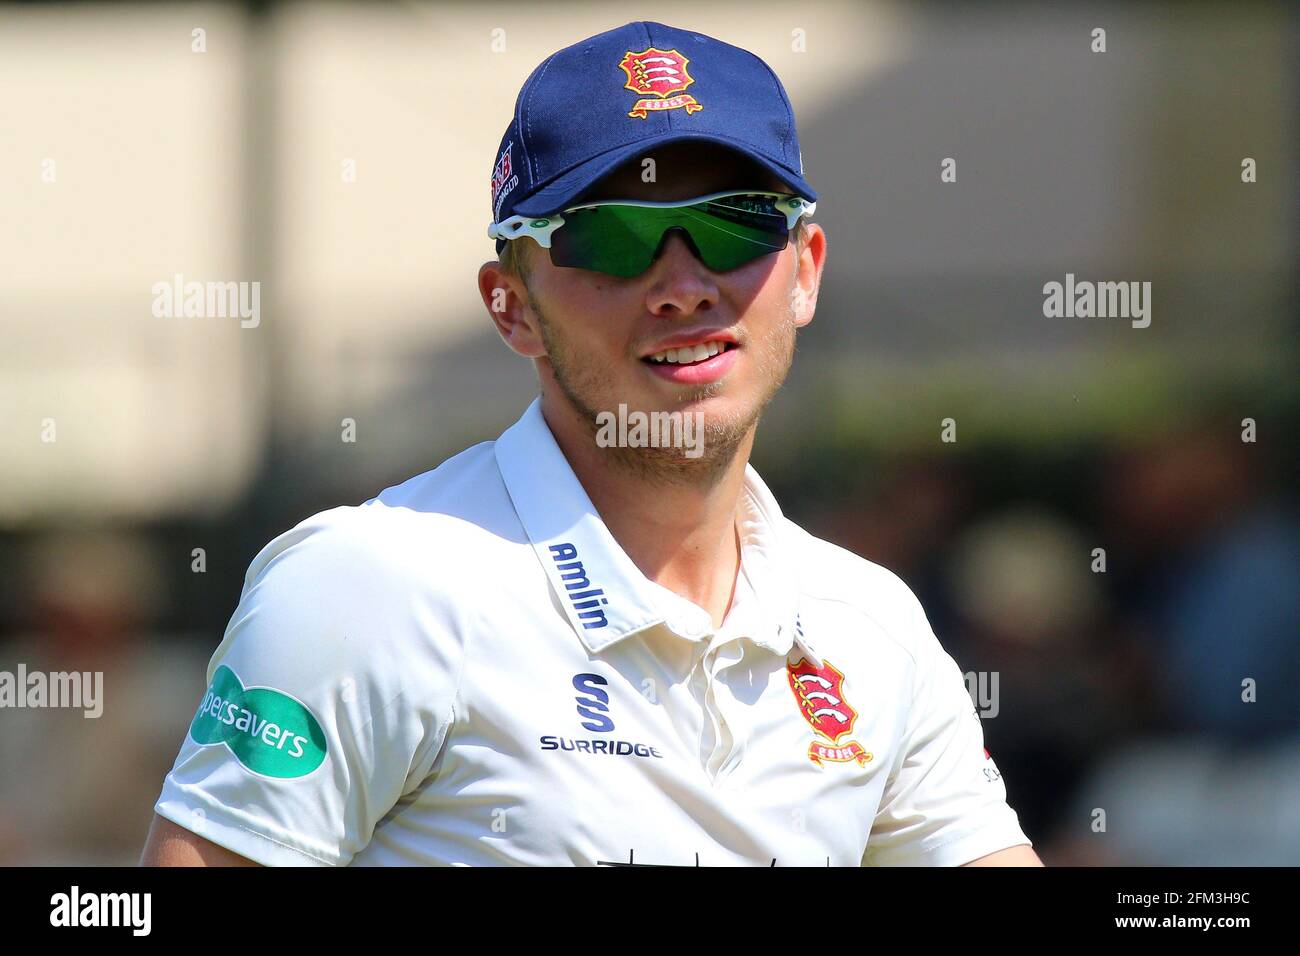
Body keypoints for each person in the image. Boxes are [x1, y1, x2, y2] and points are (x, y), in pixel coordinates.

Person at [141, 20, 1040, 867]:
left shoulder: (871, 624)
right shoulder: (369, 588)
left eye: (736, 223)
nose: (684, 286)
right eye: (614, 236)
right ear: (512, 305)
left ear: (803, 271)